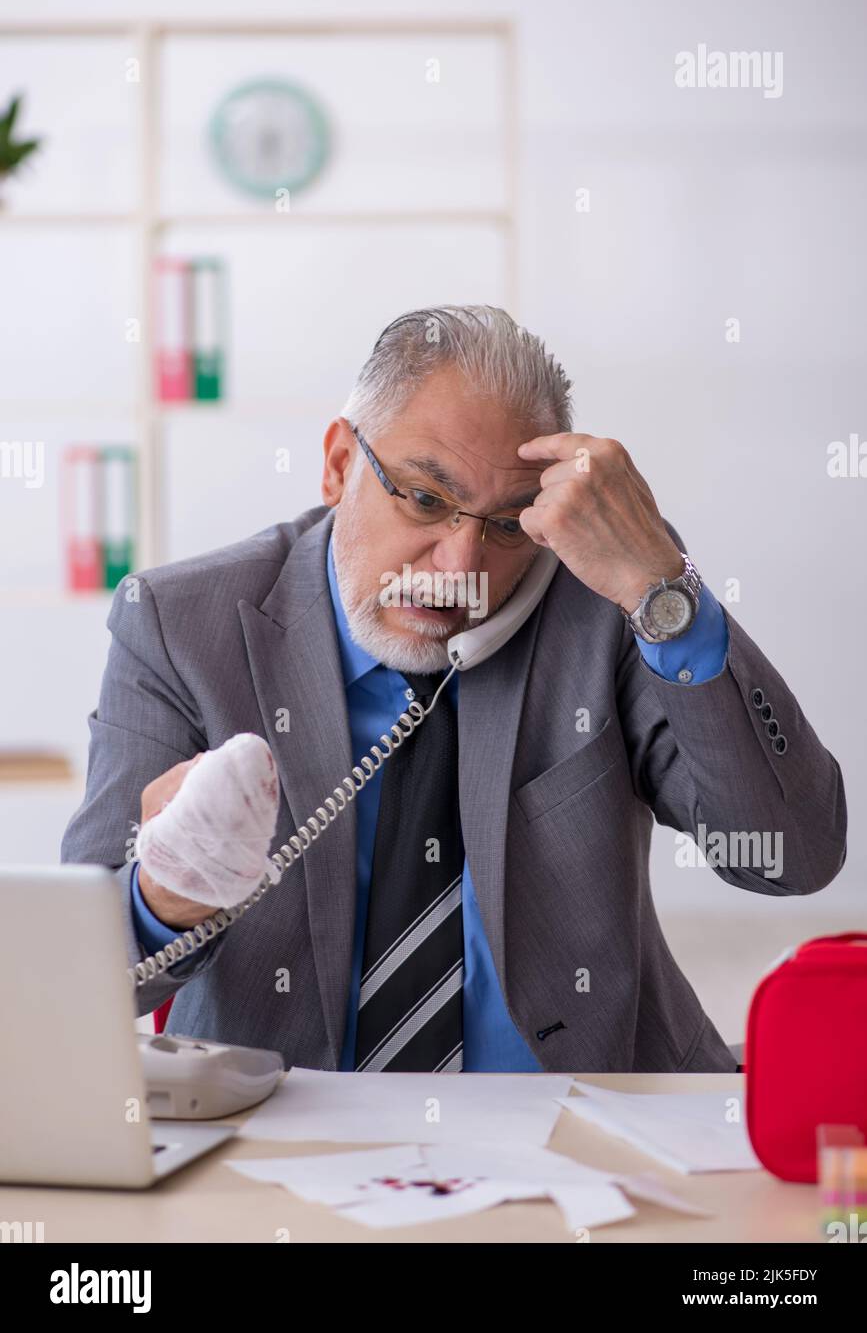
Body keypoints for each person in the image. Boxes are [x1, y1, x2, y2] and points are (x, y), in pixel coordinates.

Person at [61, 305, 847, 1073]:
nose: (460, 567)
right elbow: (76, 982)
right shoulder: (178, 623)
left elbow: (791, 857)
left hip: (598, 1117)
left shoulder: (606, 601)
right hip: (290, 1137)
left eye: (507, 524)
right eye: (427, 499)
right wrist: (166, 897)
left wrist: (664, 593)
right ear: (339, 464)